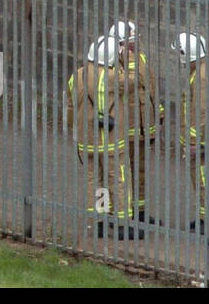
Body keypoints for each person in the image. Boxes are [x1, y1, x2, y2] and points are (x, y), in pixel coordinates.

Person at [67, 36, 143, 240]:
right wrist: (130, 58)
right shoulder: (113, 77)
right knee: (118, 179)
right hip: (110, 141)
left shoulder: (78, 75)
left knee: (95, 180)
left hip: (87, 140)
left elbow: (71, 107)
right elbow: (136, 80)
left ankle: (100, 221)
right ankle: (122, 224)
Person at [107, 19, 163, 224]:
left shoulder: (139, 58)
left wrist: (158, 116)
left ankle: (139, 212)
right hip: (125, 127)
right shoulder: (113, 61)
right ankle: (121, 213)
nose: (135, 42)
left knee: (139, 172)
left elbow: (150, 89)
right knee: (123, 173)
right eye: (131, 40)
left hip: (142, 126)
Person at [172, 32, 209, 234]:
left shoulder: (202, 76)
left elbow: (200, 114)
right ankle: (206, 219)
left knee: (203, 180)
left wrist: (193, 141)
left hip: (204, 140)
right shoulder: (207, 70)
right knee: (205, 178)